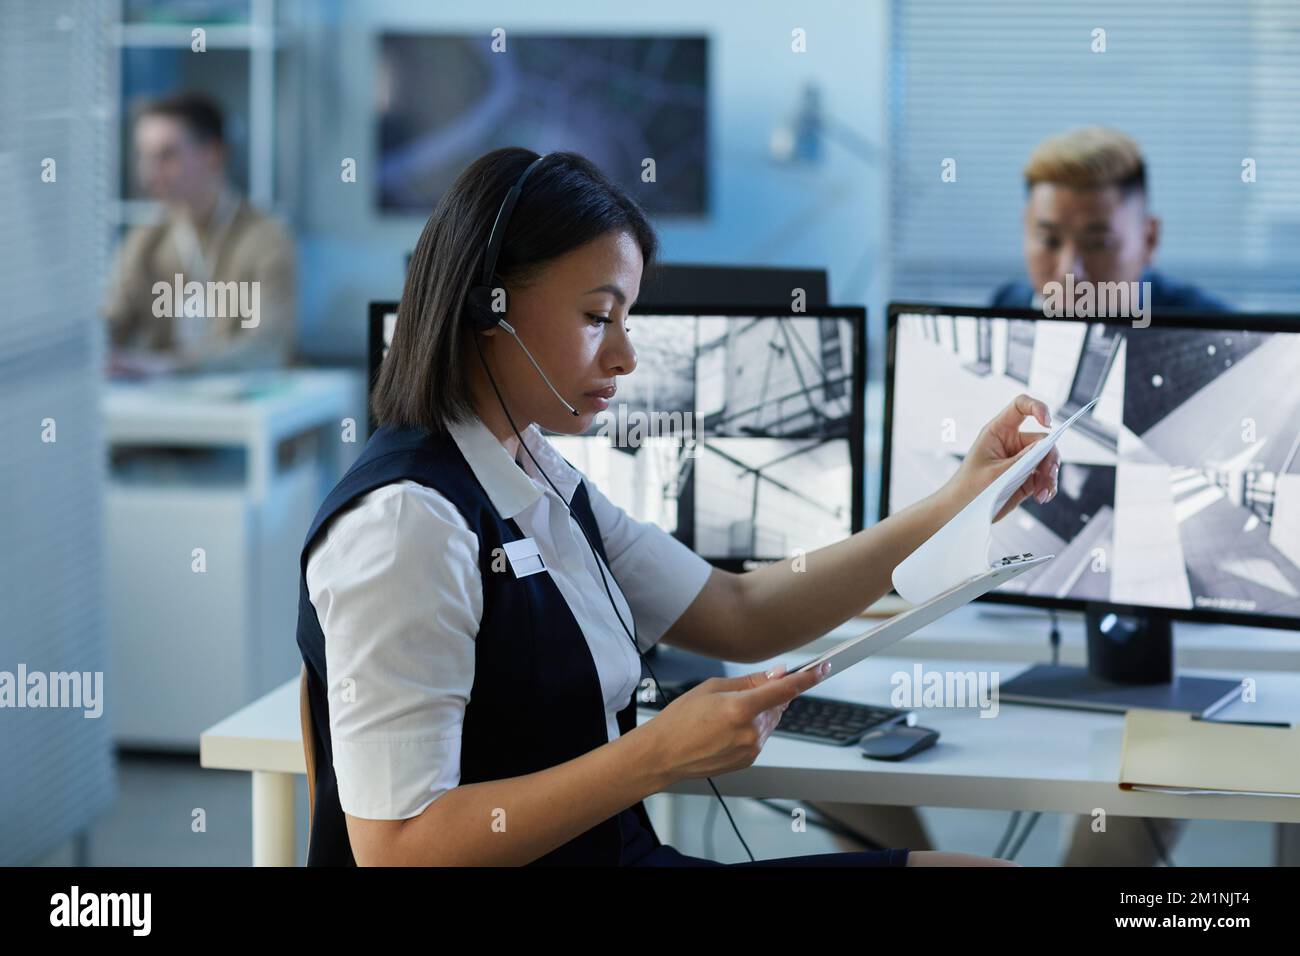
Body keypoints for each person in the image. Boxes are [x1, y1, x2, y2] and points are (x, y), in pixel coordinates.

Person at [295, 147, 1060, 867]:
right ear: (483, 308)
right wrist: (656, 756)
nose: (625, 354)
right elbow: (396, 850)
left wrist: (961, 500)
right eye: (599, 317)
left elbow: (739, 610)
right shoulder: (406, 525)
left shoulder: (528, 466)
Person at [814, 126, 1228, 866]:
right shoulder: (1000, 317)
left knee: (1131, 808)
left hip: (1189, 640)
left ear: (1150, 237)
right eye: (1047, 240)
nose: (1068, 270)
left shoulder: (1218, 338)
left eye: (1098, 242)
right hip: (1021, 618)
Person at [102, 92, 296, 375]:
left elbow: (267, 348)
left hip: (245, 406)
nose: (149, 173)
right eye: (144, 156)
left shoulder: (266, 238)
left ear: (213, 154)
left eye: (167, 155)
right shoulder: (147, 238)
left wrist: (175, 365)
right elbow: (111, 323)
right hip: (173, 404)